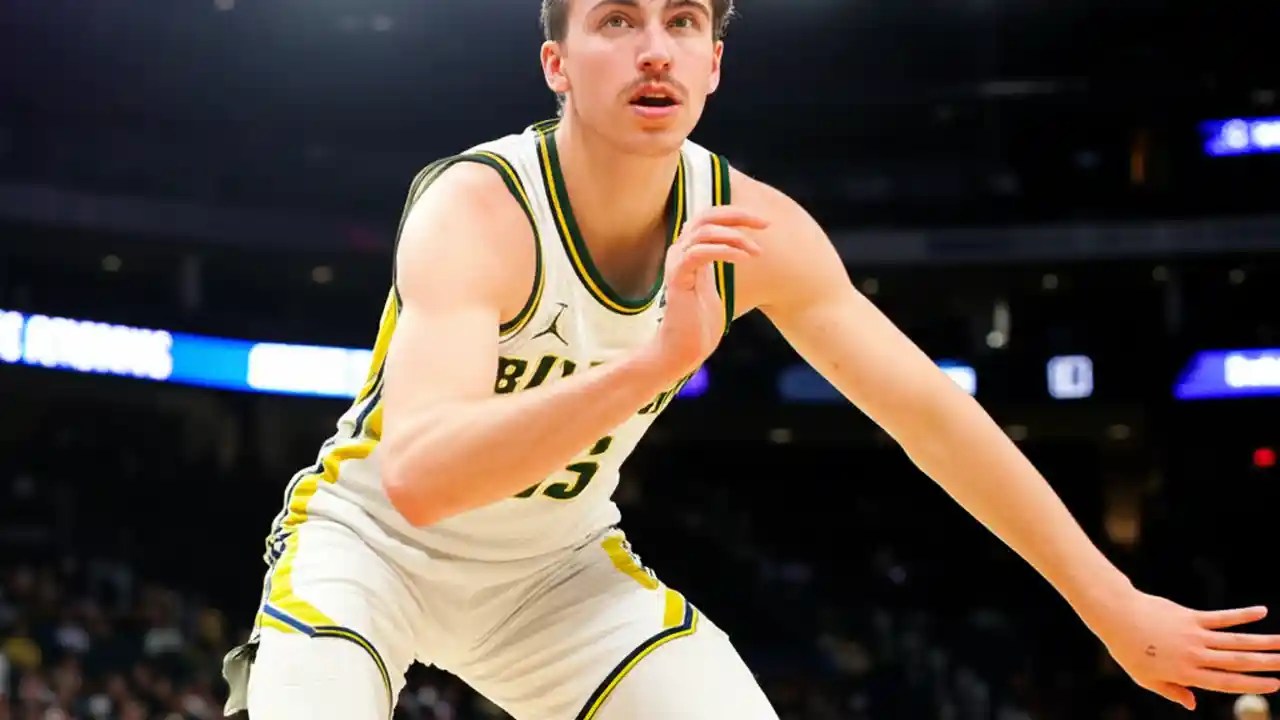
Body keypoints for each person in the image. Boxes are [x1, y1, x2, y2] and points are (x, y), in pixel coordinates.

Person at [221, 0, 1280, 718]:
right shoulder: (479, 206)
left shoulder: (752, 227)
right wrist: (650, 365)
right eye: (617, 20)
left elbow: (927, 415)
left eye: (683, 21)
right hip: (373, 552)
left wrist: (1108, 605)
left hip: (551, 571)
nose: (654, 49)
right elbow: (419, 479)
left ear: (714, 63)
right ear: (555, 62)